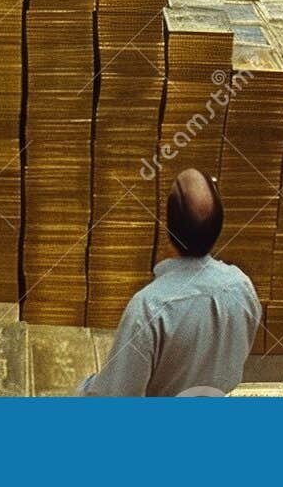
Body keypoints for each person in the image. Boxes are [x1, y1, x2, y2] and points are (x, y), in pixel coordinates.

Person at [79, 168, 262, 396]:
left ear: (168, 228)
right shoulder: (242, 287)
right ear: (218, 226)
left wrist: (83, 388)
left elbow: (116, 397)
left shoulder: (149, 308)